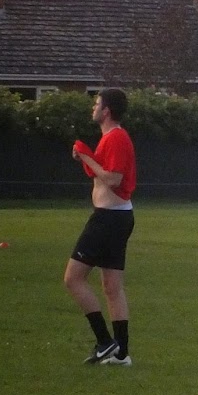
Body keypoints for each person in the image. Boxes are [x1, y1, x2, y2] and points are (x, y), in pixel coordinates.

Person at [63, 87, 137, 366]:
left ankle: (106, 342)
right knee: (112, 287)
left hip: (108, 219)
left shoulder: (117, 138)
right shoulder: (110, 138)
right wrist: (87, 156)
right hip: (117, 217)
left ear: (106, 110)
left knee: (73, 278)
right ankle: (121, 353)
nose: (93, 107)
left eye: (96, 103)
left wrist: (84, 155)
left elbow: (114, 178)